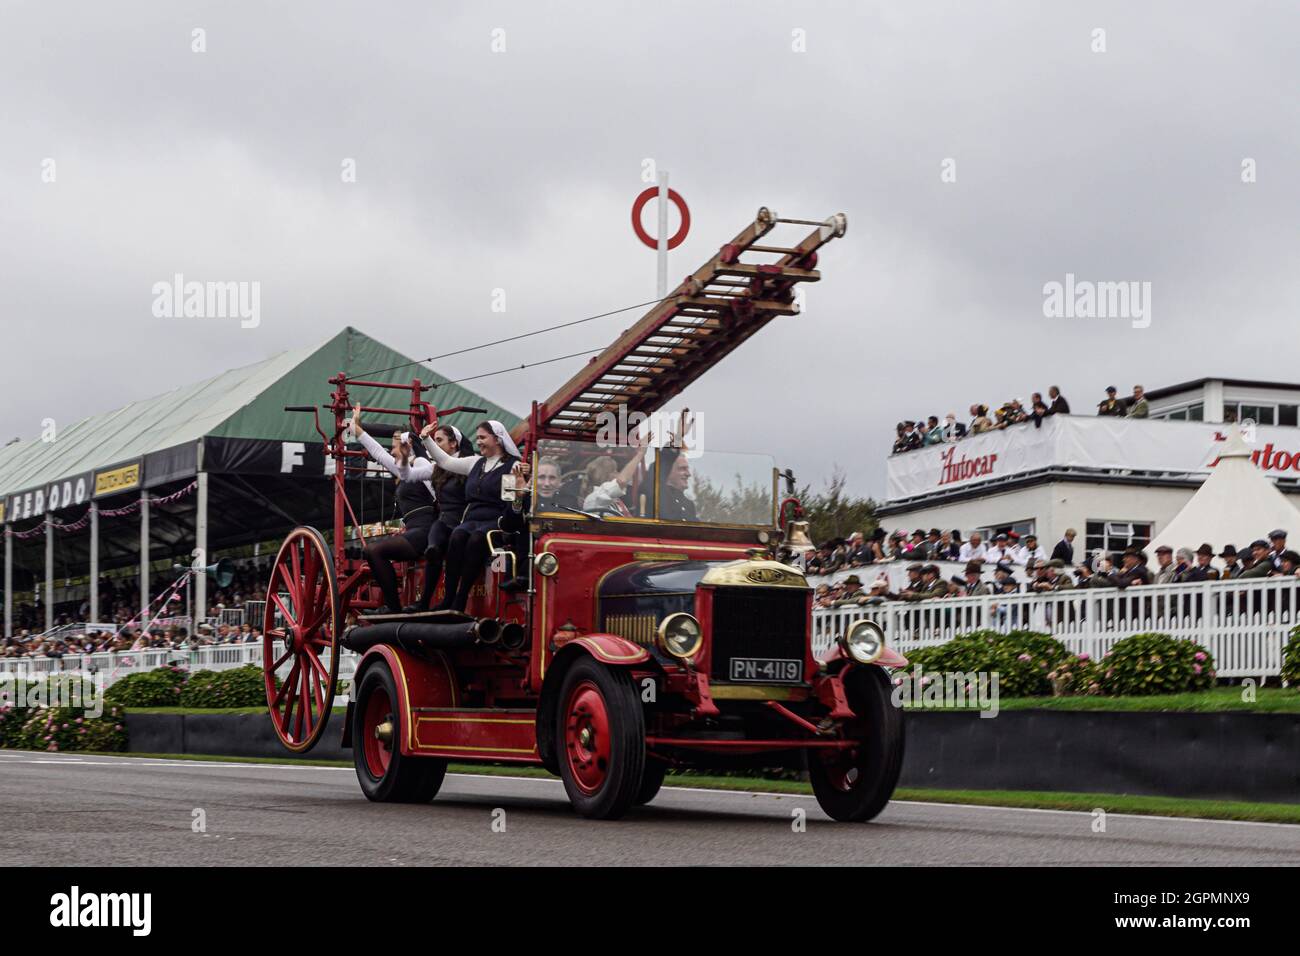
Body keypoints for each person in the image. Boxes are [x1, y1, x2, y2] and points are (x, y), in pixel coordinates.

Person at [412, 420, 521, 612]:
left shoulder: (513, 466)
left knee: (477, 538)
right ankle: (449, 597)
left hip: (495, 520)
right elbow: (445, 461)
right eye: (477, 437)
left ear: (497, 439)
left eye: (482, 437)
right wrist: (425, 439)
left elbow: (511, 505)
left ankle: (461, 598)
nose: (478, 442)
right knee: (458, 534)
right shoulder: (475, 462)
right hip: (471, 520)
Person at [350, 407, 439, 615]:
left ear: (407, 446)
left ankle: (393, 607)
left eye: (395, 446)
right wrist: (357, 430)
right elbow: (379, 454)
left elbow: (437, 497)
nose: (391, 450)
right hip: (414, 529)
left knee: (374, 551)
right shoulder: (404, 468)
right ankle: (393, 606)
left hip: (426, 529)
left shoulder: (422, 463)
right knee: (373, 551)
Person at [392, 422, 475, 610]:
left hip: (463, 521)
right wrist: (404, 459)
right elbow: (408, 476)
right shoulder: (436, 467)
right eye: (434, 440)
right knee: (435, 536)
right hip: (445, 521)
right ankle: (424, 599)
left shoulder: (470, 463)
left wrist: (424, 439)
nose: (435, 445)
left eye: (439, 440)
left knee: (452, 538)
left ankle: (450, 599)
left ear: (453, 444)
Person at [656, 446, 698, 521]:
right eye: (683, 469)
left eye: (687, 469)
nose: (688, 474)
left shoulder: (689, 505)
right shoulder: (658, 498)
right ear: (668, 471)